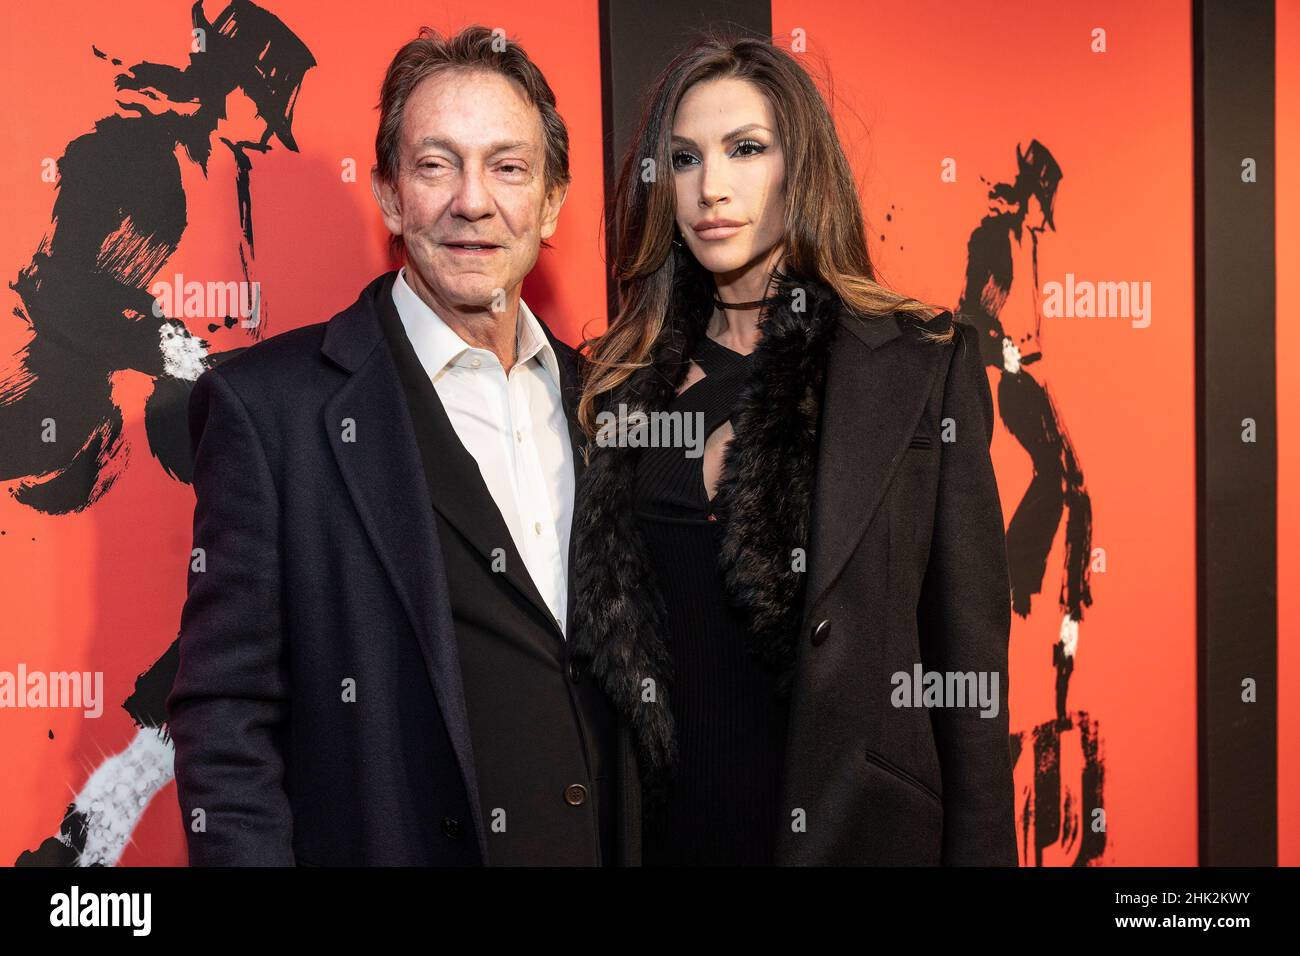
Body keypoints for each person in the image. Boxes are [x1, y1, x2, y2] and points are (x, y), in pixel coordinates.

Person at [167, 25, 621, 866]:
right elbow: (225, 719)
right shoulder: (272, 411)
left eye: (508, 166)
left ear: (553, 201)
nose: (472, 201)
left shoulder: (609, 402)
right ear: (388, 194)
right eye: (436, 164)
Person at [571, 32, 1017, 865]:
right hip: (666, 840)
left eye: (746, 149)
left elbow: (971, 682)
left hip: (857, 837)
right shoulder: (611, 383)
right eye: (684, 158)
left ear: (800, 166)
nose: (713, 187)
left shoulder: (918, 364)